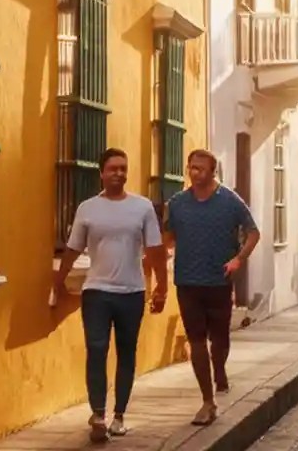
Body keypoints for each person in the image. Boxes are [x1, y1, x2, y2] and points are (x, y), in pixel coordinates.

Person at [54, 148, 168, 443]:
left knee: (127, 352)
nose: (118, 173)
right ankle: (98, 414)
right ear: (101, 173)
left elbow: (156, 250)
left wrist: (162, 287)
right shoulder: (88, 208)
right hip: (97, 291)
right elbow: (73, 247)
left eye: (123, 168)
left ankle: (119, 415)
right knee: (96, 347)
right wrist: (59, 278)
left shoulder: (142, 207)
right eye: (113, 168)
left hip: (132, 292)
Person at [164, 149, 260, 427]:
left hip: (219, 281)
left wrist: (238, 259)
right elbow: (168, 238)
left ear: (212, 172)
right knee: (196, 340)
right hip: (187, 282)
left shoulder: (230, 201)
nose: (195, 173)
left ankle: (219, 369)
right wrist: (157, 255)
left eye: (201, 169)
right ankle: (208, 401)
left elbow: (253, 233)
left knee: (219, 339)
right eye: (191, 168)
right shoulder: (178, 203)